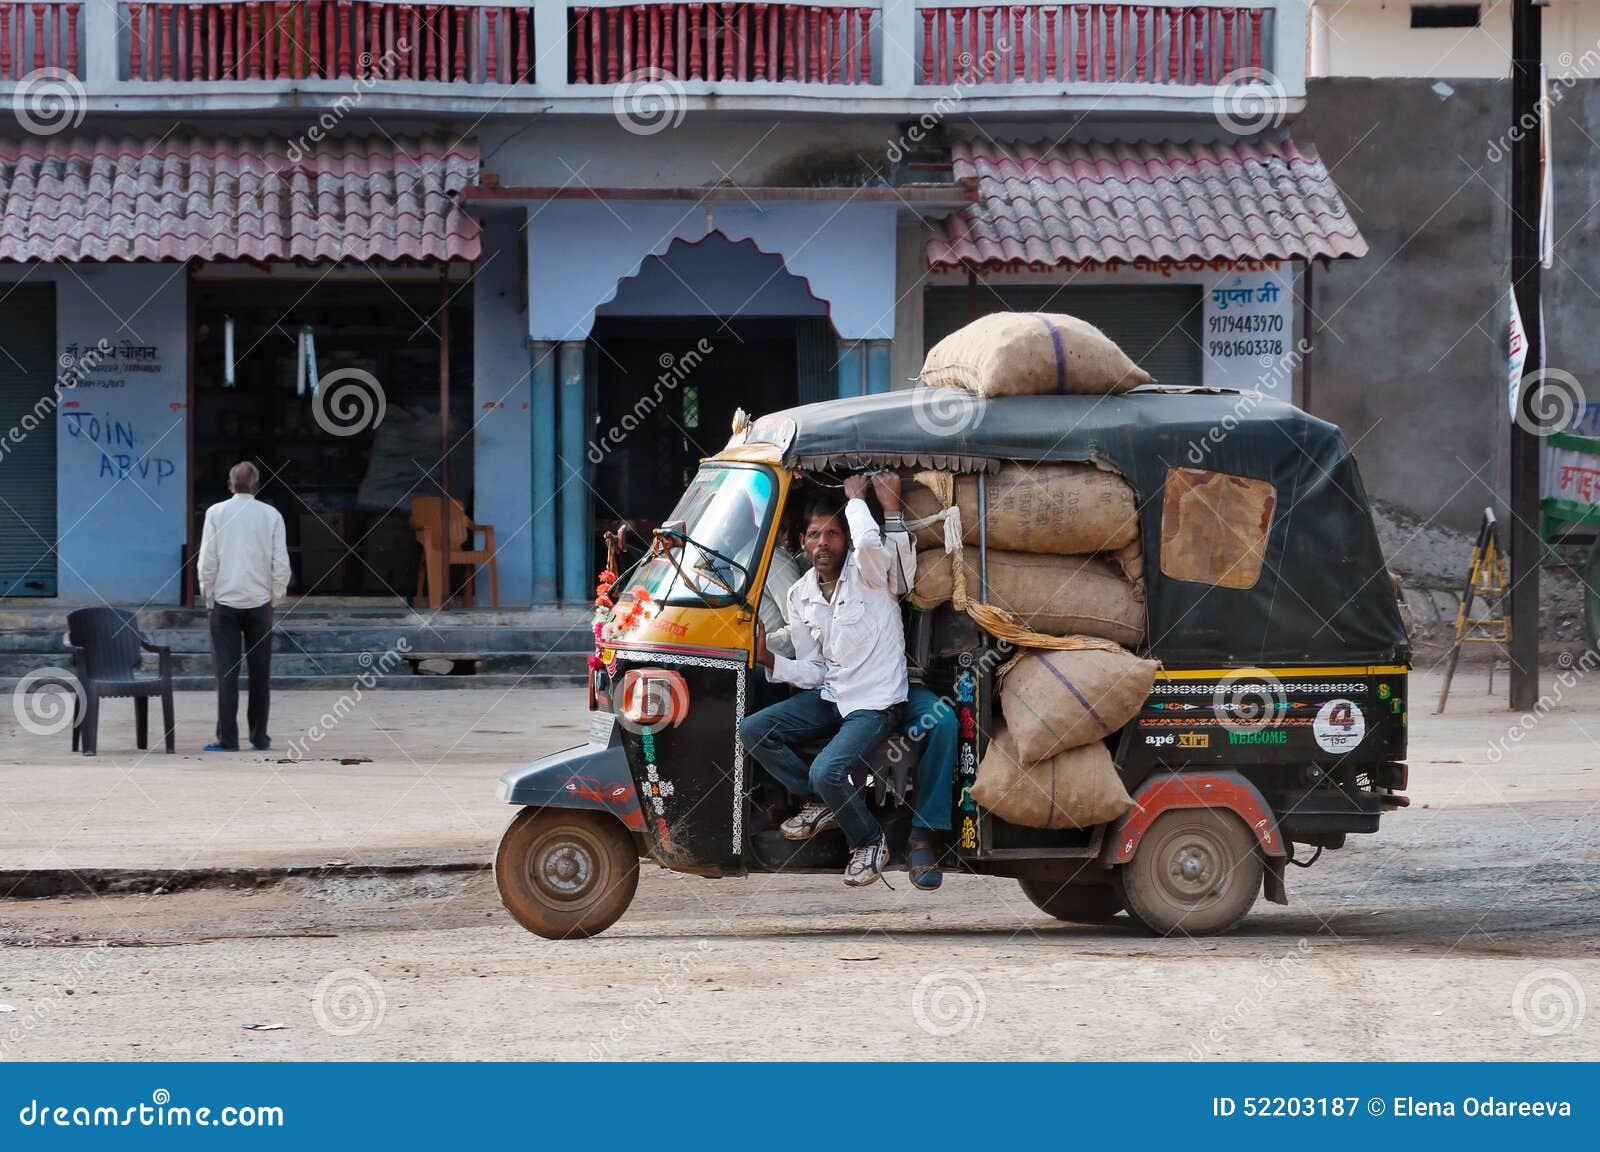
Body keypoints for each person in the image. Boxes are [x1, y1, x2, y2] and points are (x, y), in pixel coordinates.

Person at [739, 474, 907, 887]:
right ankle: (821, 803)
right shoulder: (799, 595)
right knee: (754, 730)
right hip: (832, 696)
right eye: (814, 535)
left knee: (826, 770)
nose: (823, 543)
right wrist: (767, 658)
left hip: (876, 703)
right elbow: (813, 670)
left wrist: (855, 499)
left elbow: (870, 543)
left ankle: (869, 840)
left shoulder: (869, 572)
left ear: (846, 538)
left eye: (832, 534)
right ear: (801, 541)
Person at [197, 461, 290, 752]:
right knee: (260, 673)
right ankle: (259, 737)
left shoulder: (215, 513)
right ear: (257, 487)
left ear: (229, 485)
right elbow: (281, 564)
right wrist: (275, 598)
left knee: (226, 673)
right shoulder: (271, 515)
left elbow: (207, 562)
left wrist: (208, 598)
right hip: (260, 604)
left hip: (224, 603)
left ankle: (227, 739)